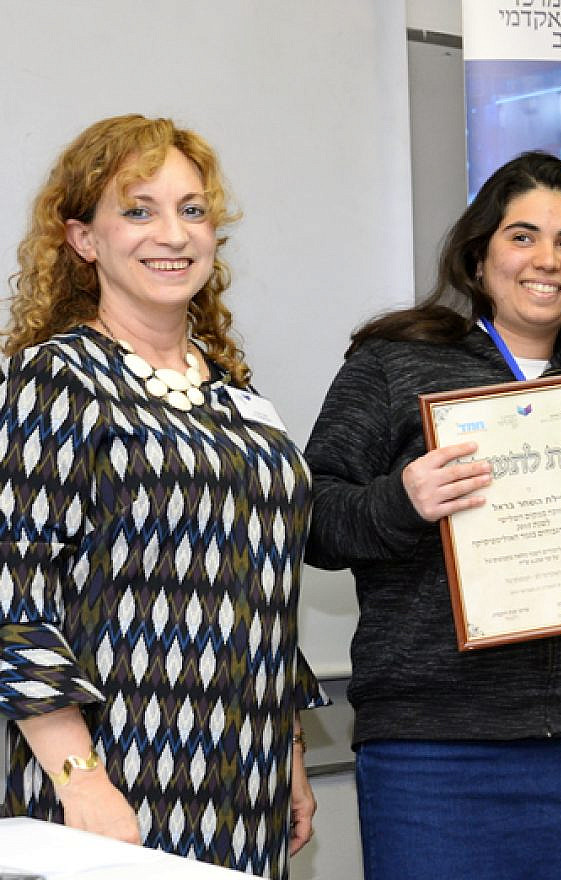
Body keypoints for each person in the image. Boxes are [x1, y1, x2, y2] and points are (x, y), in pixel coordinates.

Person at [0, 115, 326, 878]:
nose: (173, 234)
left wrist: (288, 748)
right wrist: (80, 781)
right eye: (138, 210)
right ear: (84, 238)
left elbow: (258, 577)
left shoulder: (233, 391)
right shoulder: (54, 379)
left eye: (192, 210)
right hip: (115, 773)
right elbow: (13, 593)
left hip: (247, 774)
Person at [302, 151, 561, 880]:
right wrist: (402, 502)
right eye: (522, 236)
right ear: (479, 255)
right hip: (429, 747)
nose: (546, 260)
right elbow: (311, 518)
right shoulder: (395, 361)